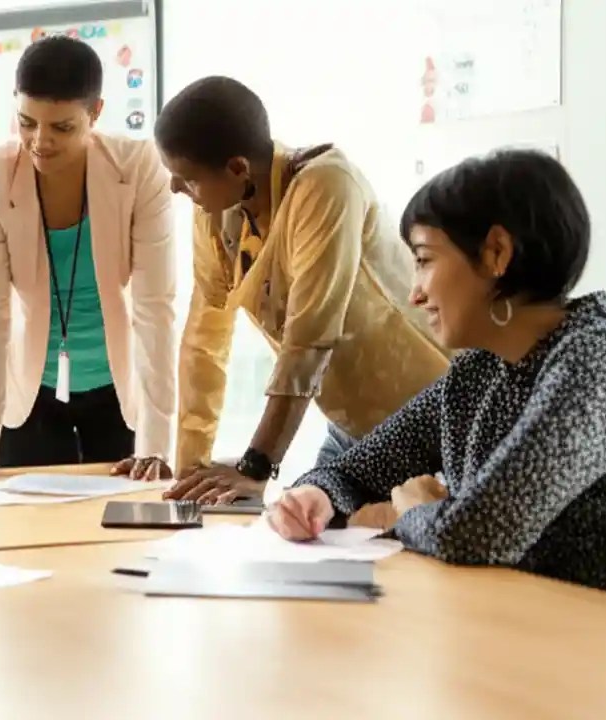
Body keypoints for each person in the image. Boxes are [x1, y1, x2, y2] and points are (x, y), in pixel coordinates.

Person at [270, 149, 606, 609]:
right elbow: (354, 469)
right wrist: (315, 495)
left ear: (497, 253)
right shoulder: (480, 372)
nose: (414, 293)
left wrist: (409, 511)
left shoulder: (601, 362)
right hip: (545, 629)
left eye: (424, 260)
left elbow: (476, 535)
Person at [154, 76, 450, 504]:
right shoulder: (216, 208)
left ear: (237, 169)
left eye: (186, 178)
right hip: (350, 429)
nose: (174, 189)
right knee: (295, 526)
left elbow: (308, 341)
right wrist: (190, 471)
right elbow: (205, 336)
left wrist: (255, 466)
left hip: (430, 419)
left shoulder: (326, 185)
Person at [0, 36, 176, 482]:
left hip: (117, 387)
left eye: (62, 127)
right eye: (27, 123)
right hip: (29, 391)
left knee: (120, 536)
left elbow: (155, 310)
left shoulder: (138, 169)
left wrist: (156, 445)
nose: (40, 142)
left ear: (95, 113)